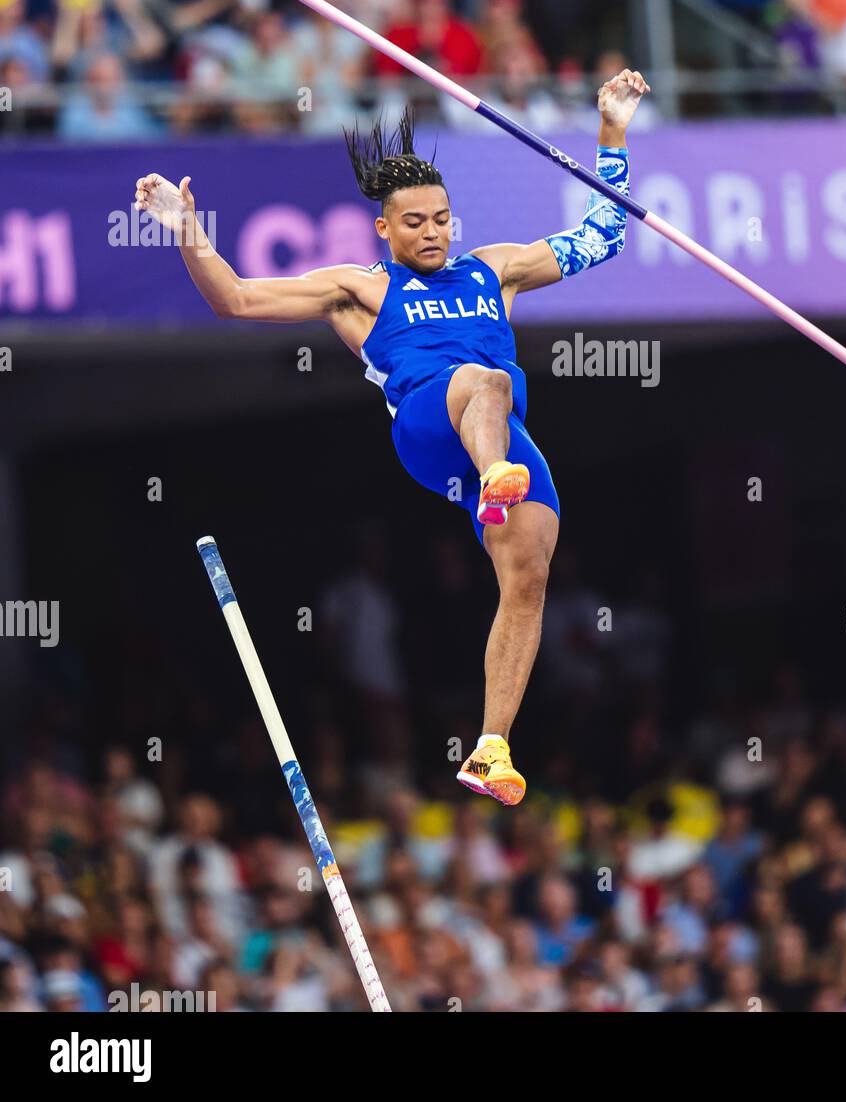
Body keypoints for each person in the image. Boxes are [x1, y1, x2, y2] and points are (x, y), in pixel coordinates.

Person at [133, 68, 650, 807]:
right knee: (485, 379)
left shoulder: (494, 270)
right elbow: (236, 299)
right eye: (415, 223)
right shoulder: (359, 287)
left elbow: (606, 233)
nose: (432, 232)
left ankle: (491, 746)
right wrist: (186, 228)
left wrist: (612, 131)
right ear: (384, 227)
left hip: (500, 437)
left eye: (441, 218)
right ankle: (496, 474)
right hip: (431, 429)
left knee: (530, 574)